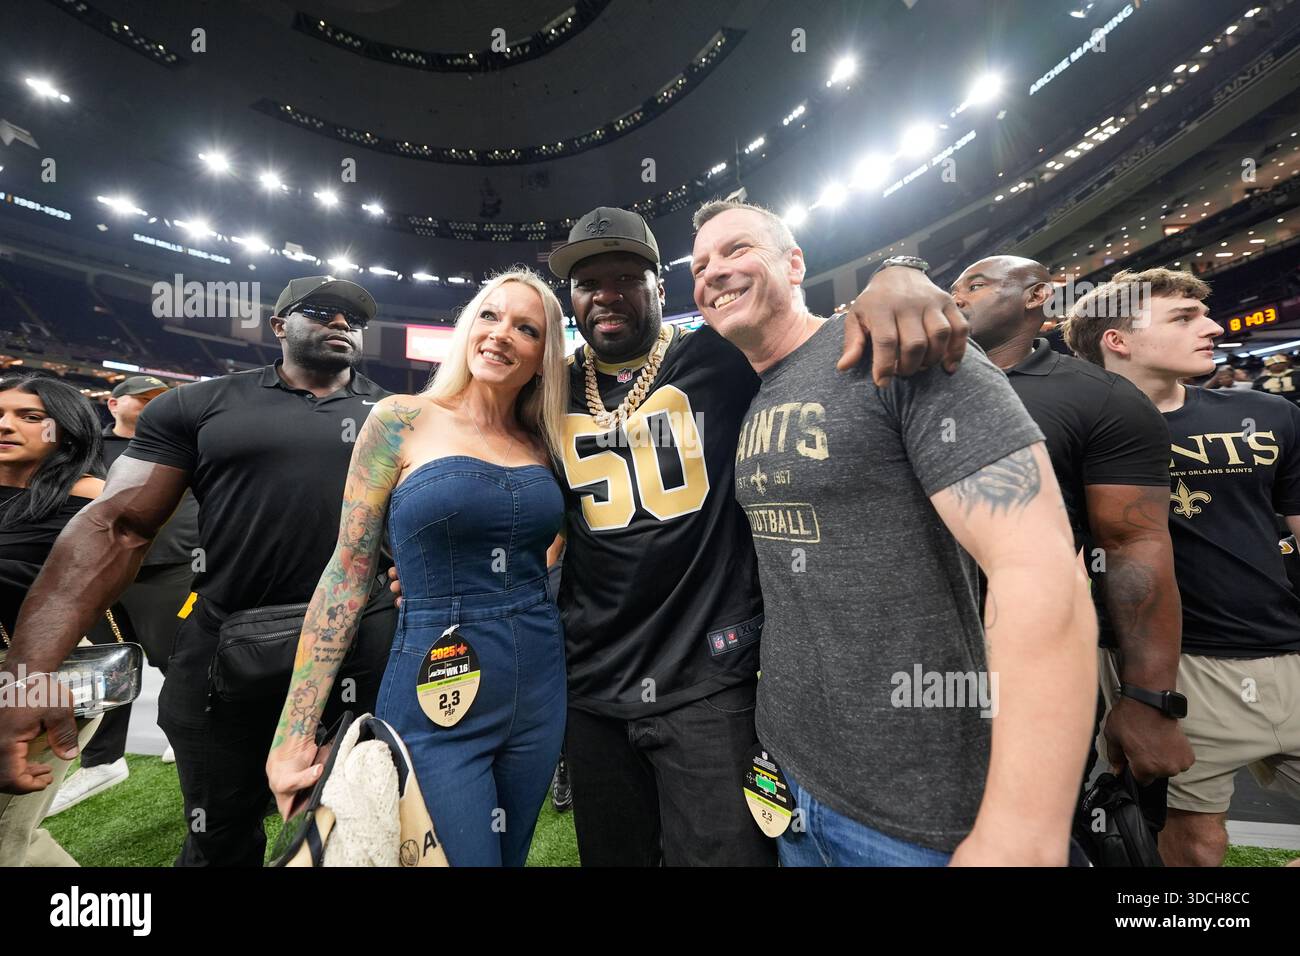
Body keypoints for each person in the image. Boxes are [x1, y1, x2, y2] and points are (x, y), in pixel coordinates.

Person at [536, 205, 968, 866]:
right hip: (593, 679)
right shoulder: (548, 387)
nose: (606, 295)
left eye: (626, 277)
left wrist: (898, 277)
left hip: (709, 679)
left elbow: (806, 331)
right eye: (589, 283)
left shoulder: (721, 354)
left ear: (659, 287)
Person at [691, 200, 1097, 865]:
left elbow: (1042, 570)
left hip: (925, 814)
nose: (712, 273)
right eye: (700, 265)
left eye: (737, 250)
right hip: (793, 780)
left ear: (796, 264)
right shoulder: (752, 392)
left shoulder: (901, 346)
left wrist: (1023, 831)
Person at [0, 276, 397, 868]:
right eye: (320, 311)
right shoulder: (200, 404)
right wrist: (29, 674)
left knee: (361, 827)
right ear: (278, 326)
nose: (341, 323)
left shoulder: (398, 413)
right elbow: (116, 526)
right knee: (220, 834)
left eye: (352, 318)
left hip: (363, 642)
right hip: (227, 641)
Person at [267, 268, 569, 867]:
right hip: (432, 681)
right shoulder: (398, 419)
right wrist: (293, 735)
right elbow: (347, 573)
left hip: (540, 680)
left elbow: (556, 540)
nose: (501, 334)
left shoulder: (545, 439)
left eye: (526, 328)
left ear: (543, 356)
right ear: (467, 328)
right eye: (489, 316)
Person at [1062, 268, 1300, 866]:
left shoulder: (1268, 414)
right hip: (1174, 670)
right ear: (1118, 339)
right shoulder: (1074, 432)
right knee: (1194, 847)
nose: (1212, 326)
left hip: (1291, 650)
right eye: (1183, 318)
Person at [950, 256, 1193, 836]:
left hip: (1030, 679)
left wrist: (1147, 698)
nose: (955, 297)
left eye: (976, 285)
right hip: (889, 670)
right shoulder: (900, 383)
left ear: (1037, 296)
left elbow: (1135, 546)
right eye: (952, 287)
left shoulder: (1101, 398)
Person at [49, 376, 200, 813]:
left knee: (180, 658)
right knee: (99, 663)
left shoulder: (185, 440)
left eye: (160, 399)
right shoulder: (86, 448)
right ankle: (103, 759)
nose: (156, 405)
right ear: (113, 403)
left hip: (169, 566)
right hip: (100, 569)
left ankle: (185, 737)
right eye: (145, 398)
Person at [0, 373, 117, 865]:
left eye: (29, 417)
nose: (5, 425)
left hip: (41, 678)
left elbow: (77, 597)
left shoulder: (91, 498)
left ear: (65, 430)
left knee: (6, 832)